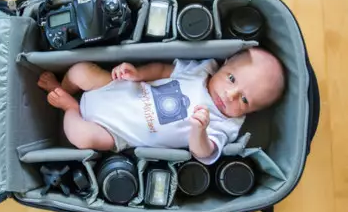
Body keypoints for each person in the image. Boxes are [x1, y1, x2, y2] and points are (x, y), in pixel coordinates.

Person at [37, 47, 285, 165]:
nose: (230, 95)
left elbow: (205, 153)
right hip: (115, 88)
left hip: (116, 132)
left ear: (251, 112)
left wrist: (199, 131)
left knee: (82, 138)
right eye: (232, 79)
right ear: (226, 62)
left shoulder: (225, 124)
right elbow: (164, 69)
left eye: (244, 100)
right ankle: (64, 88)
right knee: (81, 71)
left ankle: (69, 106)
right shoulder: (202, 70)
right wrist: (138, 74)